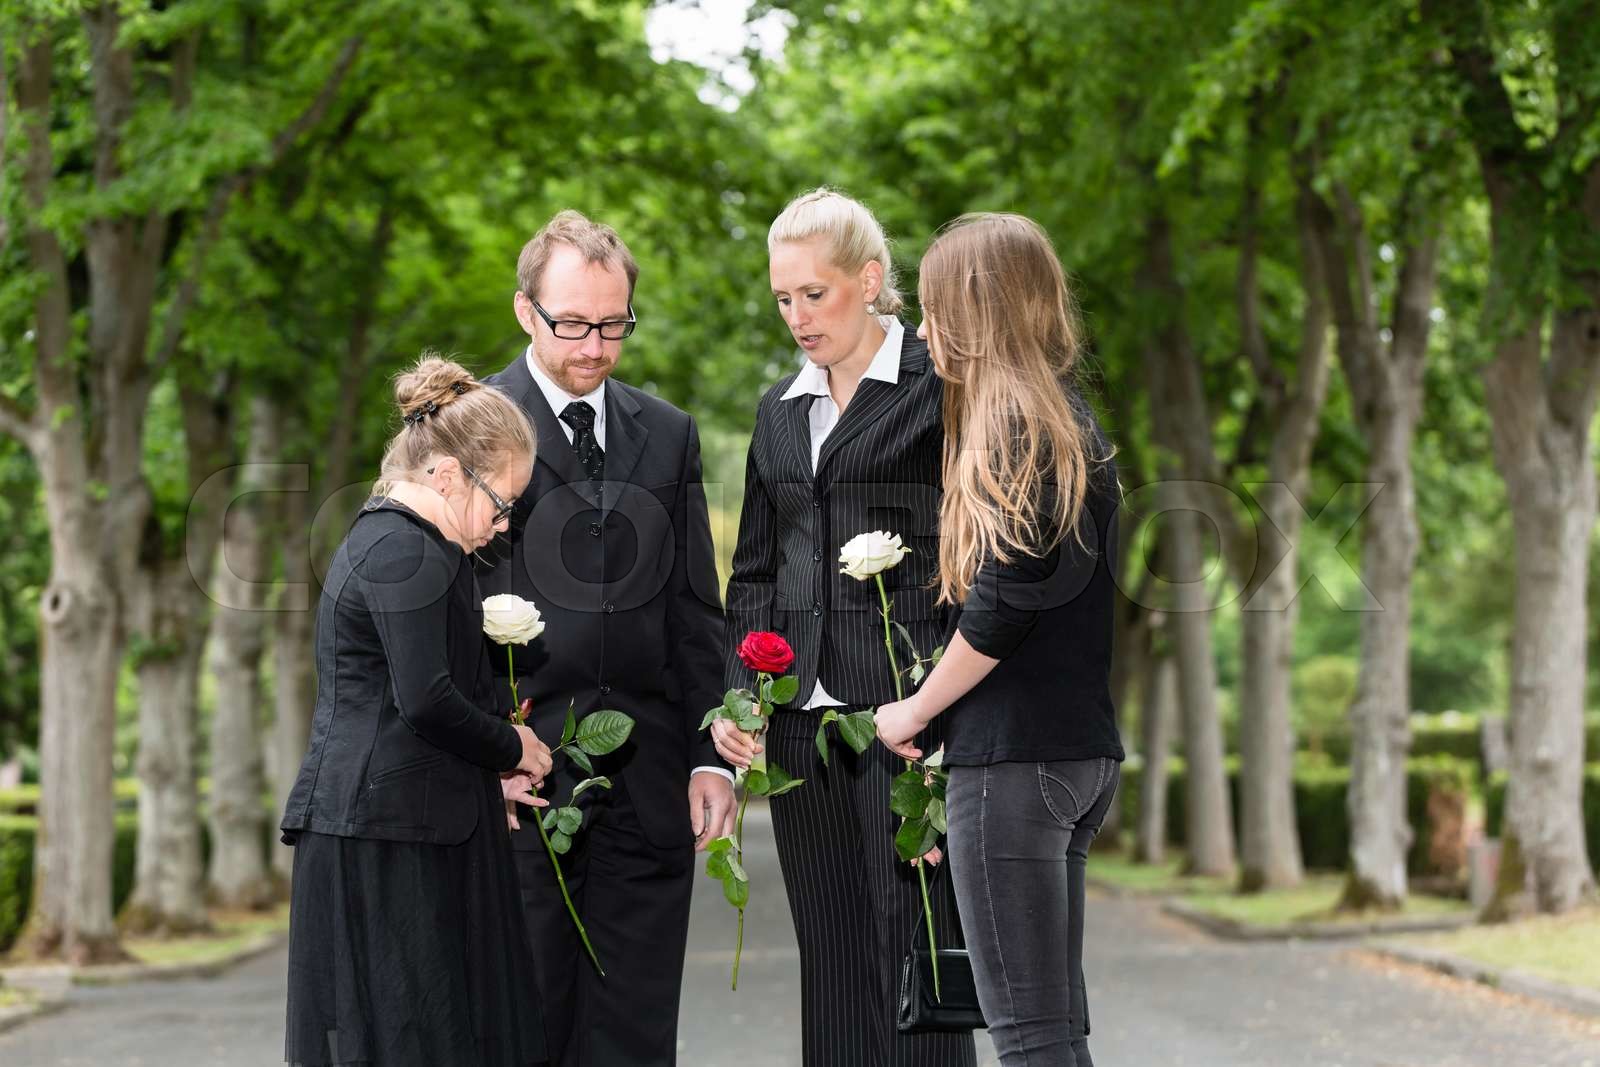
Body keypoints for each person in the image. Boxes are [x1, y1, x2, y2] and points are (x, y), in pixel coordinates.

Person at [714, 188, 975, 1067]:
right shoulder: (778, 411)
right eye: (782, 298)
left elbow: (975, 559)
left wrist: (941, 707)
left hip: (905, 720)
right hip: (799, 730)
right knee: (829, 957)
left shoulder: (941, 389)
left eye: (813, 295)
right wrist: (746, 700)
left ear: (869, 281)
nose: (797, 317)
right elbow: (754, 572)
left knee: (915, 955)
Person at [479, 210, 731, 1066]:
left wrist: (711, 755)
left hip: (651, 787)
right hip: (522, 785)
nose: (596, 345)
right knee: (525, 1028)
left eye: (614, 323)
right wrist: (484, 755)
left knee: (635, 1036)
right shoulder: (462, 429)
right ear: (526, 312)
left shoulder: (669, 432)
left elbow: (697, 609)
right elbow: (434, 612)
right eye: (574, 323)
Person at [875, 213, 1126, 1067]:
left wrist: (915, 710)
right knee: (1049, 1032)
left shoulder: (1015, 430)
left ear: (978, 313)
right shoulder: (1067, 421)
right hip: (1072, 755)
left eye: (936, 309)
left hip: (1017, 766)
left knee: (1027, 1039)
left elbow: (1002, 606)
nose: (919, 330)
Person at [281, 354, 555, 1067]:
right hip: (382, 835)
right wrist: (512, 747)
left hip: (391, 821)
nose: (501, 527)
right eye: (501, 504)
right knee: (405, 1038)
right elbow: (426, 699)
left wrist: (484, 776)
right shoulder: (406, 551)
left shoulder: (405, 544)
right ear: (445, 475)